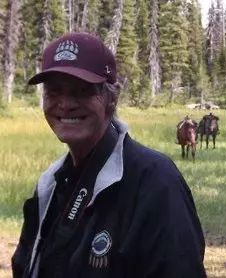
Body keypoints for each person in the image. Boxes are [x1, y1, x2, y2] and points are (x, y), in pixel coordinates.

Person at [12, 32, 207, 278]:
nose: (65, 104)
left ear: (111, 98)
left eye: (82, 91)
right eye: (53, 92)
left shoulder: (155, 182)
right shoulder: (49, 184)